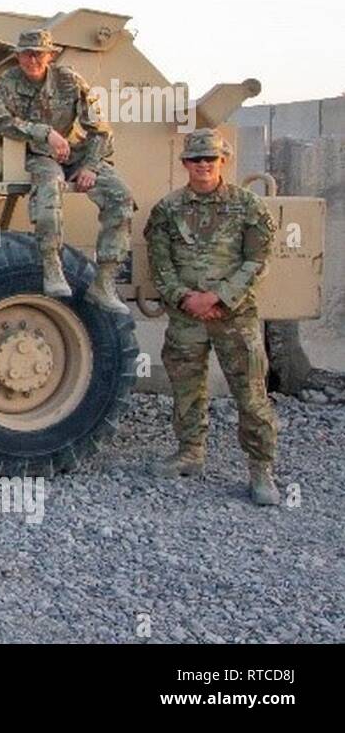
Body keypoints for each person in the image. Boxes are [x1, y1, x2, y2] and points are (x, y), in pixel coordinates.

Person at [144, 128, 281, 505]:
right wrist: (184, 297)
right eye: (196, 159)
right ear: (185, 163)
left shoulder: (249, 206)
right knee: (187, 390)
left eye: (211, 159)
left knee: (251, 395)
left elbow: (258, 261)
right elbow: (160, 263)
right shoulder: (168, 210)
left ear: (224, 161)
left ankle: (260, 469)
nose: (203, 165)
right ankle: (190, 452)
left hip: (234, 317)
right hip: (187, 315)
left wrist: (218, 297)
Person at [0, 28, 133, 313]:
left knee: (120, 196)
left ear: (50, 56)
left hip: (76, 154)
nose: (32, 60)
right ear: (18, 57)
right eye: (26, 54)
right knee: (50, 185)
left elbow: (100, 131)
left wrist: (89, 166)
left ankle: (105, 282)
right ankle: (52, 264)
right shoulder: (8, 82)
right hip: (39, 154)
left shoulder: (69, 81)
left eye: (39, 54)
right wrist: (44, 132)